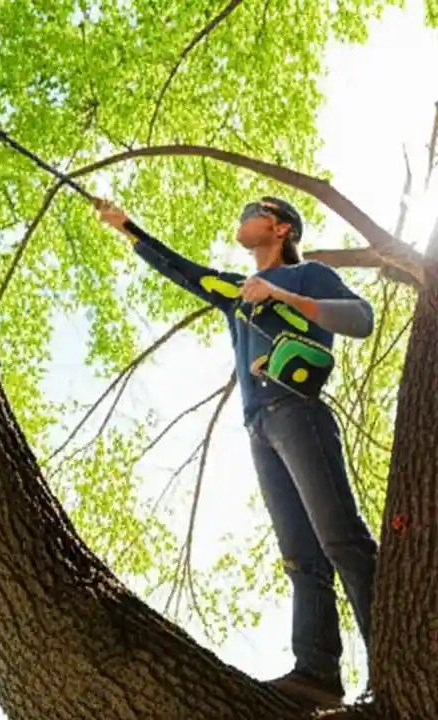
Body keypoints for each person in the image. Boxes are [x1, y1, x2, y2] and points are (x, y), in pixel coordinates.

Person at [95, 196, 378, 709]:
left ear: (280, 226)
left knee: (342, 541)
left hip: (300, 414)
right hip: (259, 428)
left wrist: (281, 297)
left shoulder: (307, 275)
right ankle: (317, 675)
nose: (241, 217)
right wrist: (127, 226)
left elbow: (361, 319)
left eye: (253, 210)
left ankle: (392, 659)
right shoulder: (235, 291)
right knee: (301, 557)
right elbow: (182, 270)